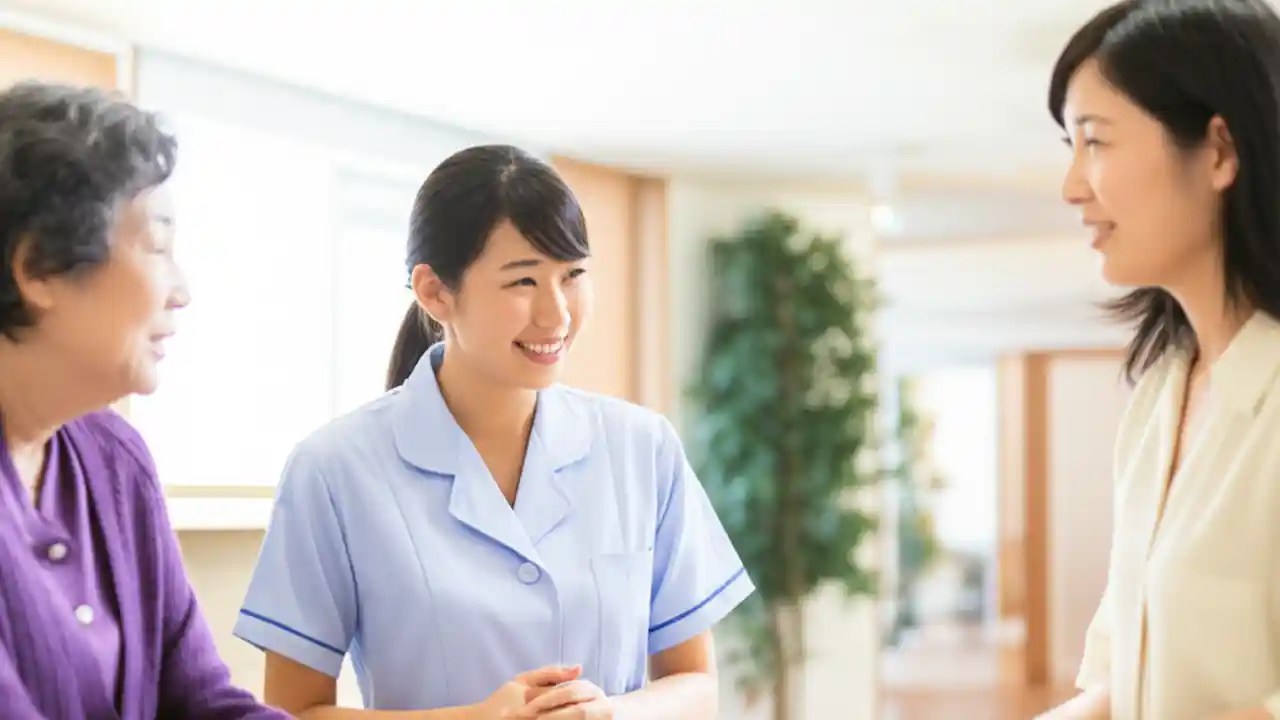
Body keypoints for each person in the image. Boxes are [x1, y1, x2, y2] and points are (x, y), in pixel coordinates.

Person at [234, 144, 754, 718]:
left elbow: (695, 684)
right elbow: (294, 712)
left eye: (573, 275)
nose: (557, 314)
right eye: (523, 281)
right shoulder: (334, 470)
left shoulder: (642, 448)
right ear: (435, 291)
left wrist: (610, 714)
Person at [0, 81, 288, 719]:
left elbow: (201, 700)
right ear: (40, 267)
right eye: (157, 248)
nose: (181, 290)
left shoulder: (115, 458)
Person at [1037, 1, 1280, 719]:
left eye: (1096, 141)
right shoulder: (1160, 399)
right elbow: (1128, 679)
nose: (1072, 186)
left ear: (1219, 152)